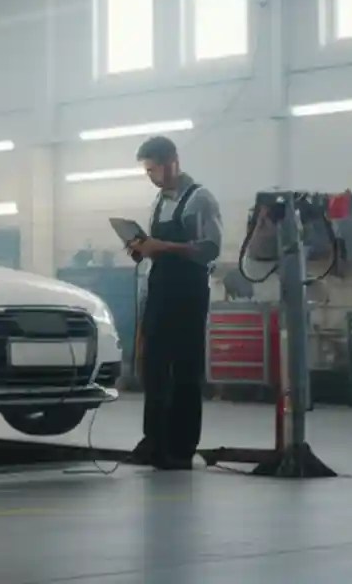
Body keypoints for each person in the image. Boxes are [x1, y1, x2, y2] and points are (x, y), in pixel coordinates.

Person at [125, 136, 222, 470]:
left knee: (184, 371)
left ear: (172, 162)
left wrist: (161, 247)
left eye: (154, 169)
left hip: (188, 295)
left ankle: (180, 449)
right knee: (153, 368)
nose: (152, 176)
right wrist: (141, 248)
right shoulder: (158, 201)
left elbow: (209, 249)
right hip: (160, 291)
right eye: (147, 171)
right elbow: (157, 246)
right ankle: (153, 442)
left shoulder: (200, 199)